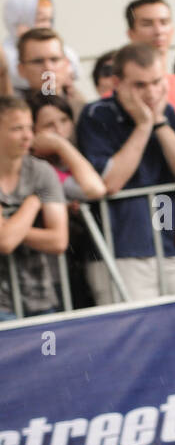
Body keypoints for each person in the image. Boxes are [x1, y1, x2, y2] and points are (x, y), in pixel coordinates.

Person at [77, 43, 175, 304]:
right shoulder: (95, 113)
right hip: (118, 252)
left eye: (157, 82)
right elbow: (110, 182)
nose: (152, 92)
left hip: (165, 247)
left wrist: (158, 122)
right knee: (140, 338)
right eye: (140, 85)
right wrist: (145, 125)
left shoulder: (165, 112)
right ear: (117, 82)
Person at [28, 93, 104, 308]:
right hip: (48, 275)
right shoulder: (38, 169)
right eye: (49, 125)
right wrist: (61, 145)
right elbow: (93, 189)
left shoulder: (77, 158)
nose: (60, 131)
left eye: (64, 120)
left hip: (78, 264)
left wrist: (63, 148)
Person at [0, 95, 68, 319]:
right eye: (17, 129)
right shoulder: (38, 187)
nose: (28, 135)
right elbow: (5, 242)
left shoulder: (41, 171)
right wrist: (33, 203)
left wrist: (12, 226)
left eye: (29, 127)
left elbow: (58, 240)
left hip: (39, 294)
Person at [125, 0, 175, 135]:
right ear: (131, 33)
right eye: (147, 24)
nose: (158, 31)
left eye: (164, 22)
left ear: (172, 29)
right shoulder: (119, 93)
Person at [3, 0, 82, 92]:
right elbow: (17, 76)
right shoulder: (6, 52)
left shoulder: (53, 43)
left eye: (49, 20)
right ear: (19, 22)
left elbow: (74, 68)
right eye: (41, 20)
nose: (47, 25)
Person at [16, 29, 86, 122]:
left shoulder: (85, 110)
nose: (48, 68)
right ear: (21, 69)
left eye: (54, 59)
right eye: (38, 61)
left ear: (67, 64)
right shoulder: (13, 114)